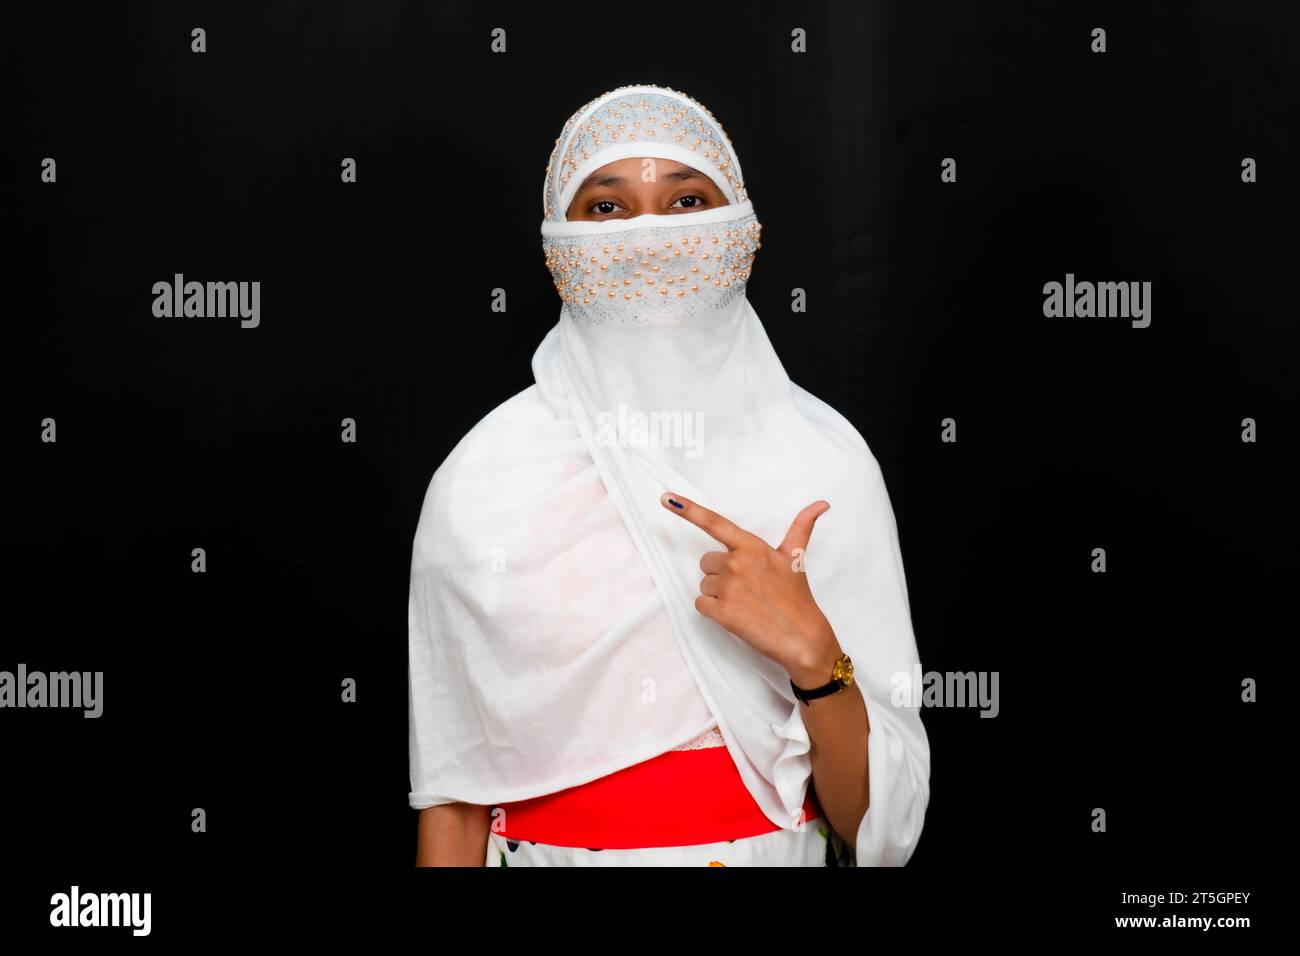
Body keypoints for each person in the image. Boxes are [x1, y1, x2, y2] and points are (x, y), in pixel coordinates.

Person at [409, 84, 930, 866]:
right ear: (557, 241)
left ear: (743, 232)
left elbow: (876, 833)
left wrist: (815, 659)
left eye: (687, 200)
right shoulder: (484, 480)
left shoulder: (824, 463)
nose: (650, 236)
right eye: (608, 209)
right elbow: (452, 810)